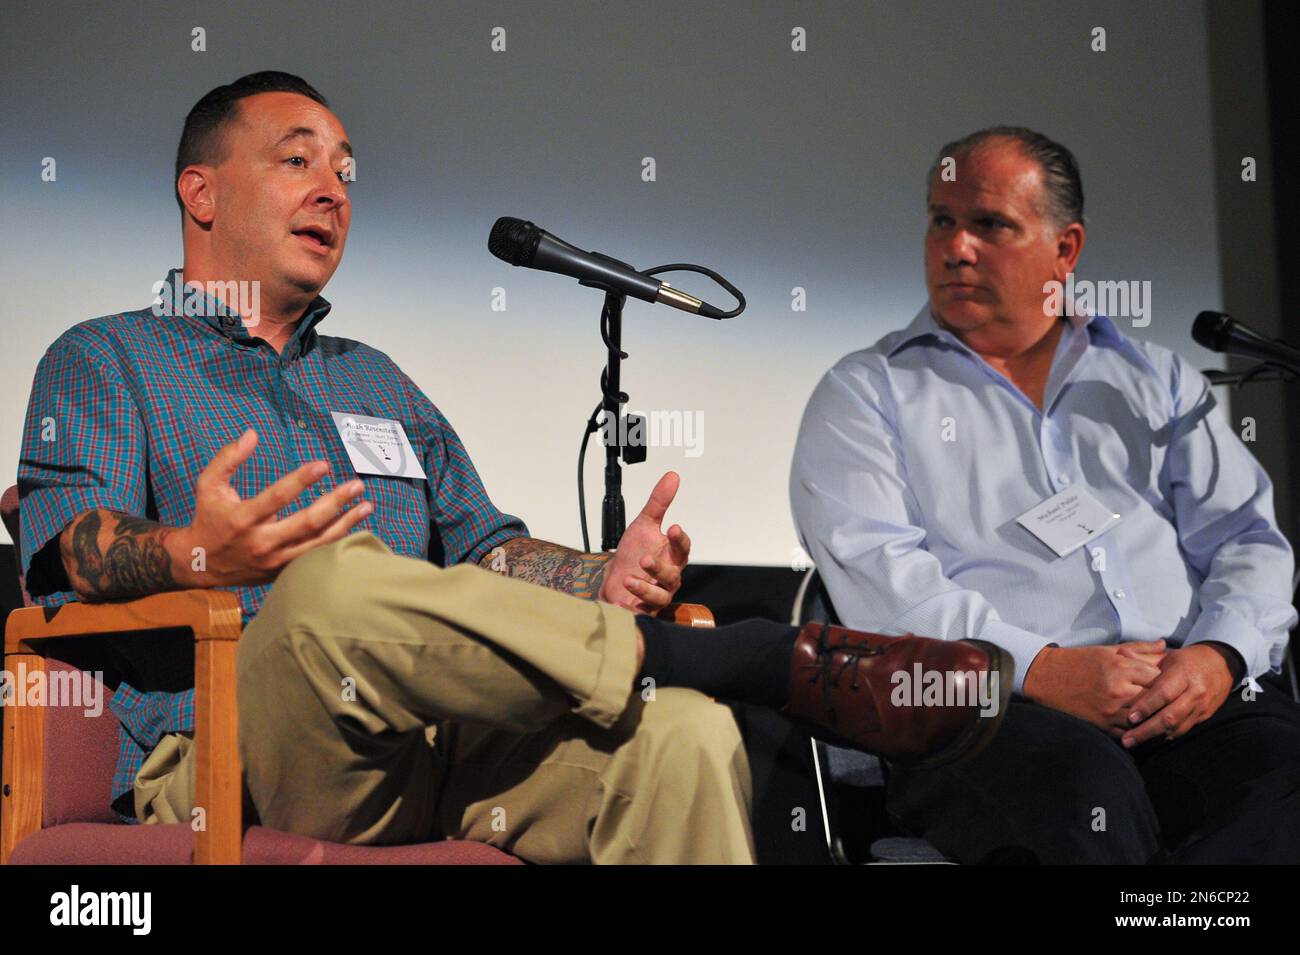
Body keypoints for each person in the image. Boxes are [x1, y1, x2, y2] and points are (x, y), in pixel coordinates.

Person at [17, 72, 1004, 864]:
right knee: (331, 580)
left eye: (347, 173)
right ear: (201, 191)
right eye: (296, 161)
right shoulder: (102, 358)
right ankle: (750, 656)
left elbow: (487, 549)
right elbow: (63, 553)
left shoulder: (379, 382)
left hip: (432, 751)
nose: (334, 189)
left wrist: (599, 579)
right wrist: (194, 551)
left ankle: (704, 674)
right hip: (234, 752)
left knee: (685, 742)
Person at [791, 125, 1300, 864]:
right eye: (941, 220)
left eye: (989, 224)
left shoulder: (1152, 378)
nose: (956, 247)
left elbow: (1247, 540)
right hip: (990, 712)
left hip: (1186, 693)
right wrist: (1042, 668)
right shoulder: (865, 394)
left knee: (1282, 782)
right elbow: (887, 595)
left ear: (1066, 250)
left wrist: (1220, 655)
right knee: (1084, 798)